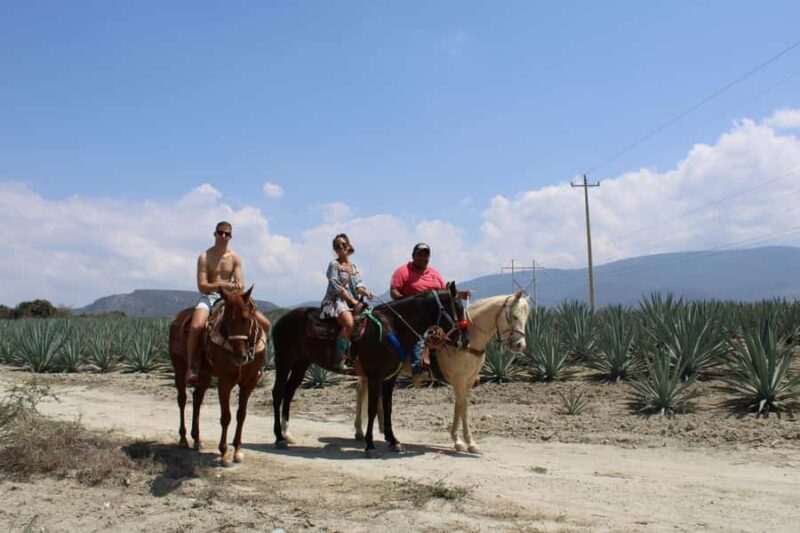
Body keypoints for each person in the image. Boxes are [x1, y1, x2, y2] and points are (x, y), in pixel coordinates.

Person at [186, 221, 271, 384]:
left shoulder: (234, 258)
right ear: (215, 234)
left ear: (231, 237)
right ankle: (192, 366)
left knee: (265, 324)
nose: (223, 236)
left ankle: (257, 363)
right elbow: (202, 286)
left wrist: (237, 287)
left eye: (227, 234)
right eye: (220, 233)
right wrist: (223, 285)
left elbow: (240, 282)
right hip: (210, 296)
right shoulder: (205, 257)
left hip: (232, 297)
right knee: (196, 326)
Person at [389, 242, 469, 375]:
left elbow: (445, 293)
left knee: (456, 325)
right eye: (419, 255)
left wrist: (459, 294)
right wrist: (407, 303)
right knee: (417, 332)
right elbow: (394, 292)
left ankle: (458, 360)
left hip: (435, 314)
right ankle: (417, 366)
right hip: (412, 313)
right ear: (413, 256)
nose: (422, 258)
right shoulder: (403, 271)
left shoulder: (434, 273)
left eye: (426, 255)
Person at [320, 233, 375, 371]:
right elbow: (335, 285)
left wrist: (366, 292)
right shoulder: (334, 264)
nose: (340, 247)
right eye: (337, 246)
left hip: (354, 301)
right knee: (349, 324)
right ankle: (339, 360)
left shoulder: (354, 266)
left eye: (343, 244)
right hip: (337, 300)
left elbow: (358, 285)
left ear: (348, 246)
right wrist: (352, 300)